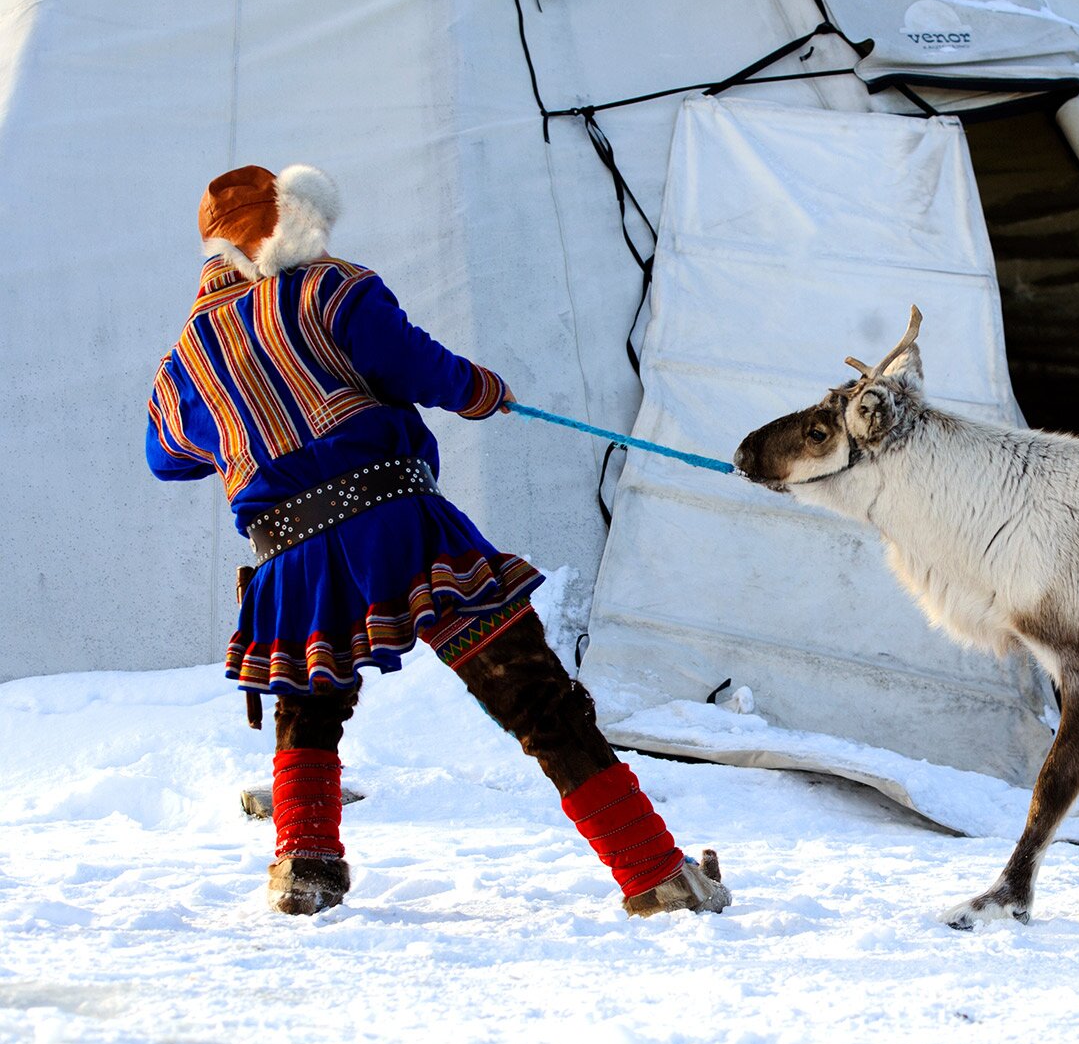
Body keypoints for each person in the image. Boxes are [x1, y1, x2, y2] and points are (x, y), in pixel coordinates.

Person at [146, 163, 730, 918]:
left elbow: (167, 456)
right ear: (291, 226)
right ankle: (655, 872)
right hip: (396, 524)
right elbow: (412, 362)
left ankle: (305, 873)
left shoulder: (185, 360)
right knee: (534, 695)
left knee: (308, 709)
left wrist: (243, 424)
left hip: (288, 556)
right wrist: (482, 390)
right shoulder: (330, 288)